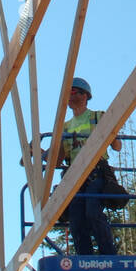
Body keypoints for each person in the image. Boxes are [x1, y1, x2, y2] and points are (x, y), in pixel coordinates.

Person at [50, 78, 123, 255]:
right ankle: (85, 258)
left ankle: (108, 255)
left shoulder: (98, 117)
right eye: (67, 94)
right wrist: (41, 153)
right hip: (74, 176)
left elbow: (117, 146)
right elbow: (58, 161)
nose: (69, 97)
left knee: (92, 212)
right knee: (76, 220)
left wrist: (109, 132)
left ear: (85, 95)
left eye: (72, 92)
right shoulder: (65, 127)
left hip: (95, 172)